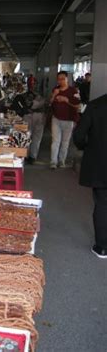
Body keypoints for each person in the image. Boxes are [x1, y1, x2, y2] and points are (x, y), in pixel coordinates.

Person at [73, 94, 107, 258]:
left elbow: (79, 135)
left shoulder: (95, 105)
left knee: (102, 204)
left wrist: (88, 147)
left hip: (100, 163)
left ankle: (102, 247)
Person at [49, 71, 81, 169]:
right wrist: (54, 95)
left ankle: (61, 161)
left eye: (63, 79)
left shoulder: (73, 91)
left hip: (69, 120)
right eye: (59, 79)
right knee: (55, 141)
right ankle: (53, 162)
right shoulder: (56, 89)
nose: (61, 81)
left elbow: (78, 106)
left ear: (67, 79)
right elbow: (50, 102)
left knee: (65, 142)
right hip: (56, 119)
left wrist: (67, 101)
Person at [25, 92, 46, 164]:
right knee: (36, 137)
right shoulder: (41, 97)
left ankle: (26, 155)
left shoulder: (26, 95)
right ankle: (32, 157)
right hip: (39, 115)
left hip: (29, 116)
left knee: (27, 135)